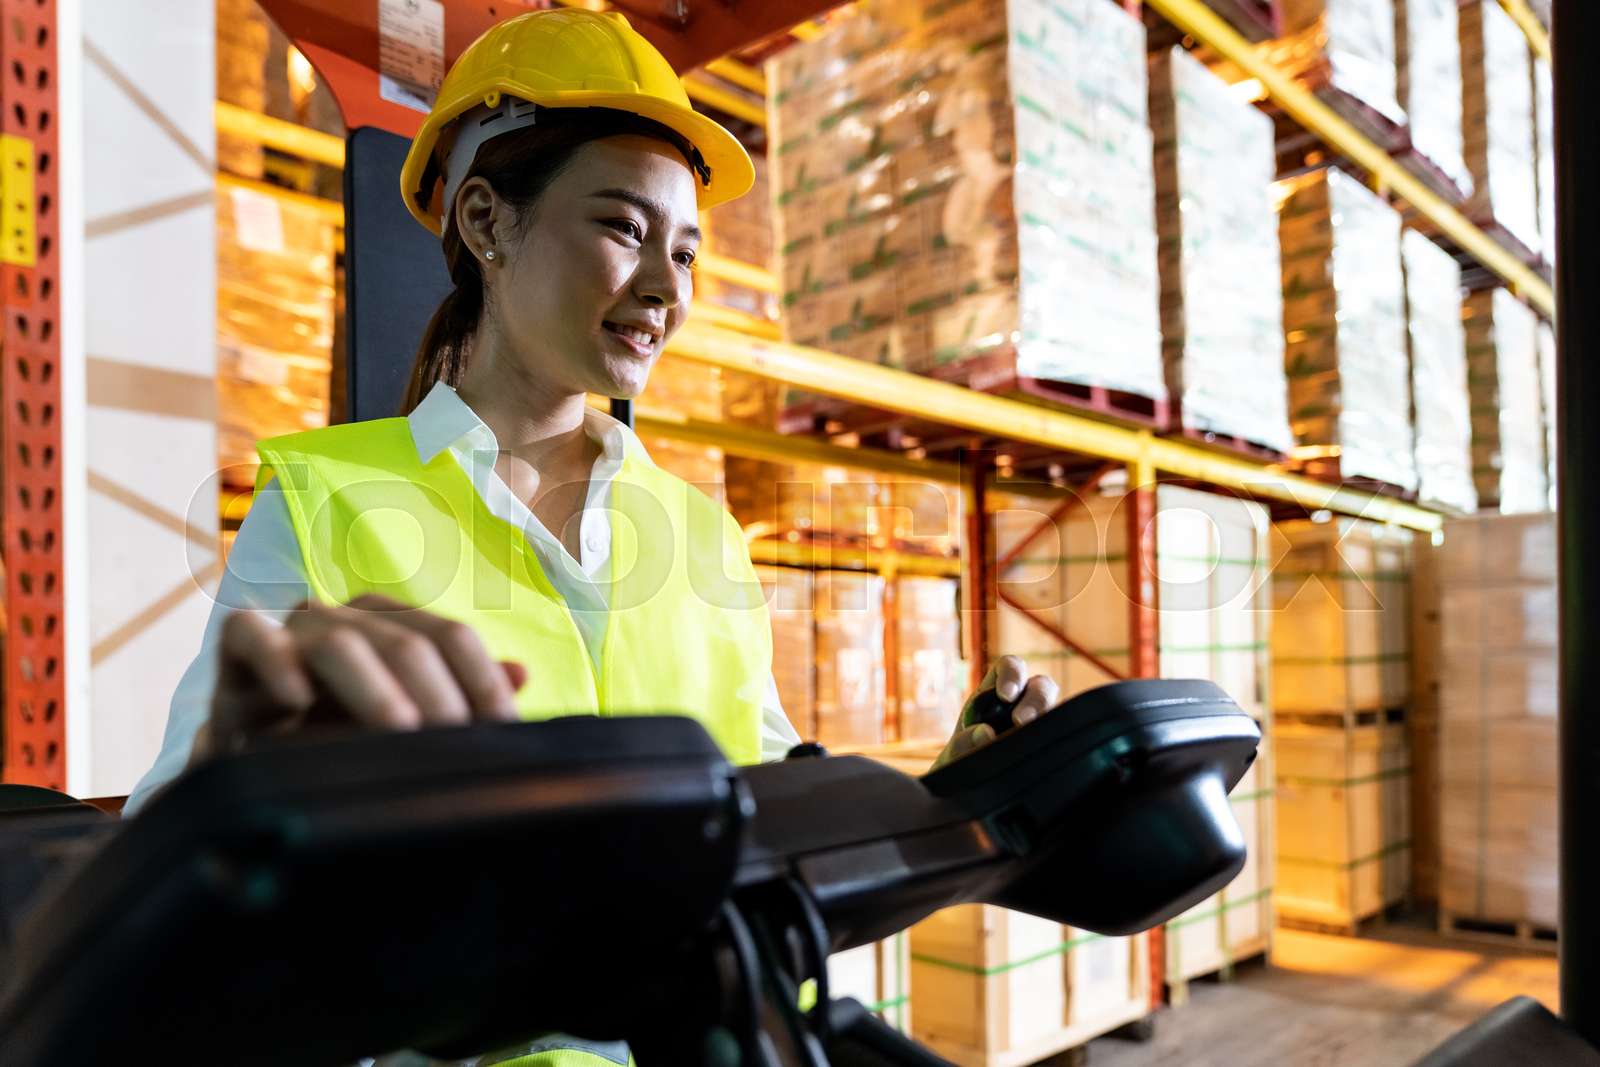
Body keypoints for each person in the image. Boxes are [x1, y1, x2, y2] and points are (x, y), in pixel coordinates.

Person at [127, 8, 1059, 1063]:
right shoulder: (328, 501)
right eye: (622, 228)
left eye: (687, 251)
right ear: (486, 221)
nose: (667, 287)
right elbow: (171, 873)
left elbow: (767, 832)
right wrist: (260, 791)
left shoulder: (700, 535)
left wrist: (957, 790)